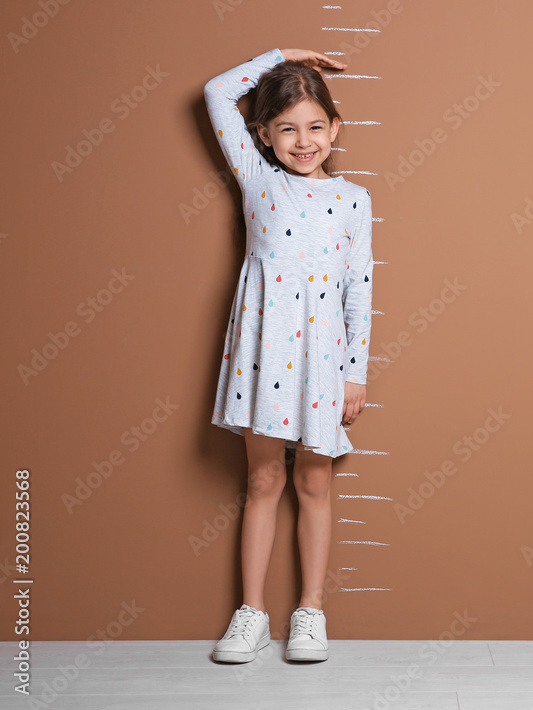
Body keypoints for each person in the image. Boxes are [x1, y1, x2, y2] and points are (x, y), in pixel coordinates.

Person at [202, 47, 374, 663]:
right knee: (264, 477)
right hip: (263, 355)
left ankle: (311, 613)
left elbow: (360, 290)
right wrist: (283, 56)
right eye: (287, 129)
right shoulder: (258, 180)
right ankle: (250, 614)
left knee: (314, 480)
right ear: (264, 137)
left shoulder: (354, 200)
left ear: (336, 127)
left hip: (324, 362)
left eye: (315, 126)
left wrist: (356, 373)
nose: (304, 141)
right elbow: (218, 91)